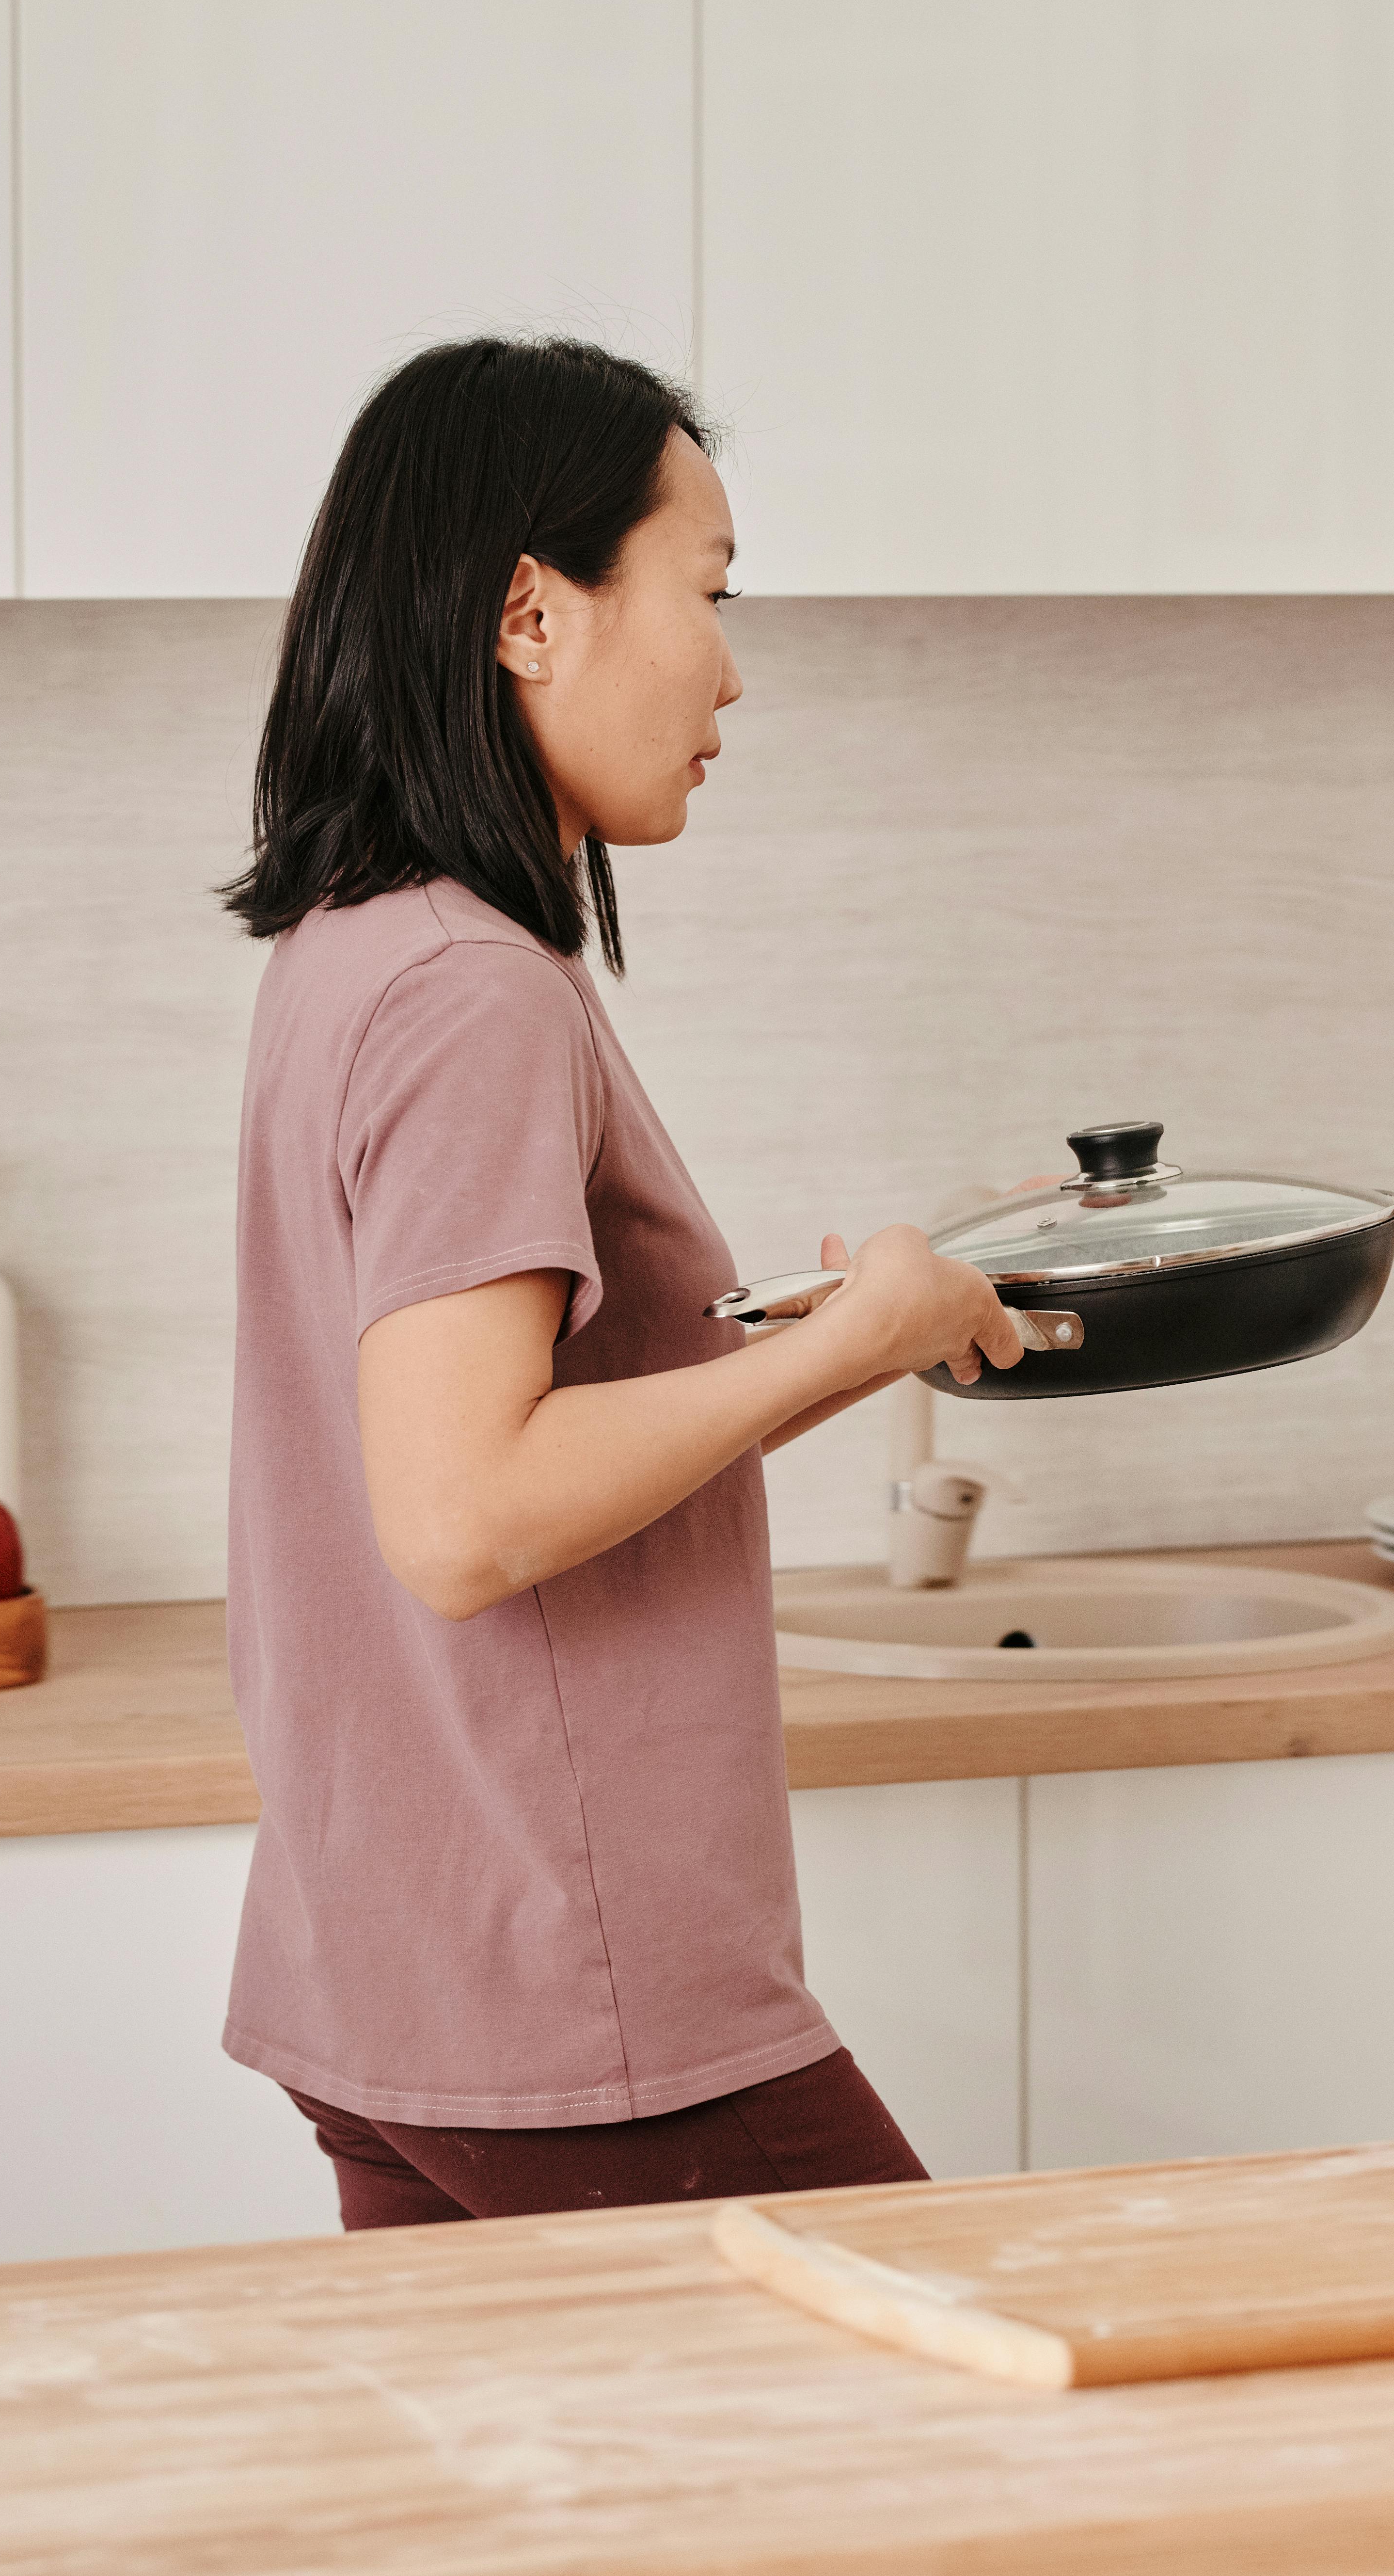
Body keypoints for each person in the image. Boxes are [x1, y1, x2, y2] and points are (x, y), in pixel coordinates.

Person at [215, 335, 1023, 2224]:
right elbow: (466, 1508)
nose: (732, 665)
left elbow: (453, 1417)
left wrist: (820, 1339)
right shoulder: (471, 989)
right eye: (710, 590)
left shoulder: (355, 947)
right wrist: (871, 1344)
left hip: (393, 1967)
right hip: (571, 1995)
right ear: (528, 613)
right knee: (957, 2491)